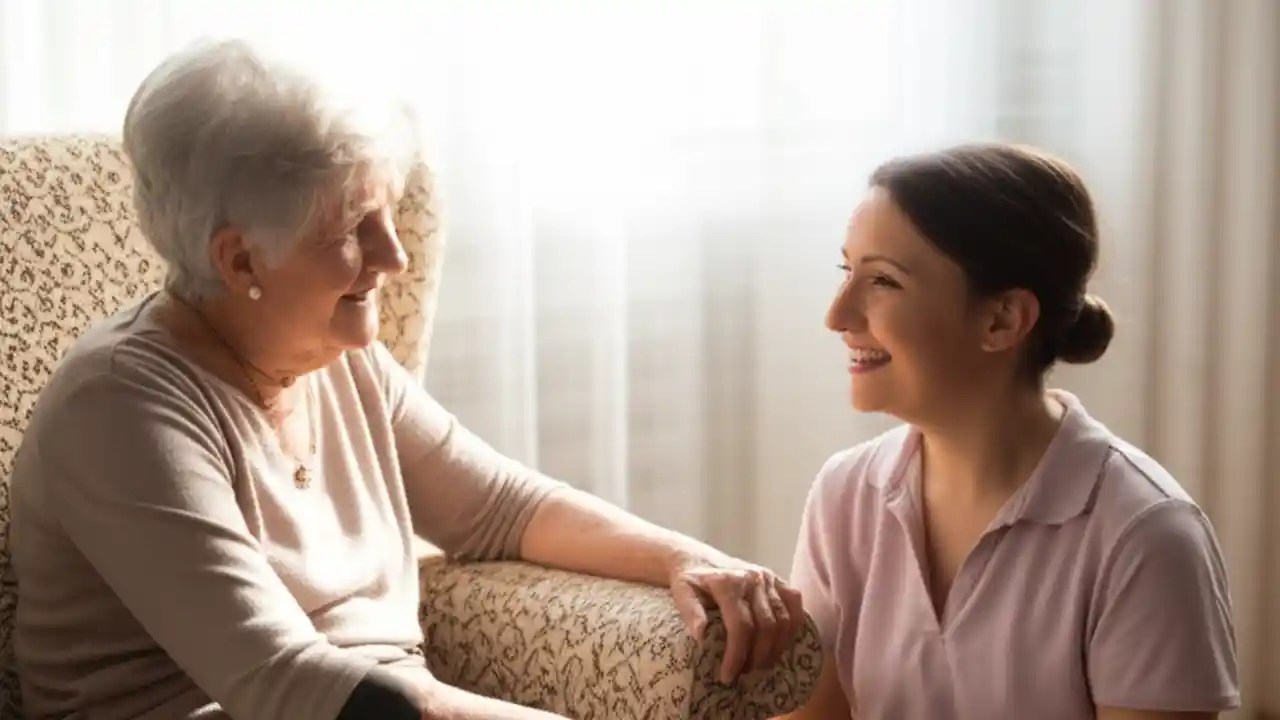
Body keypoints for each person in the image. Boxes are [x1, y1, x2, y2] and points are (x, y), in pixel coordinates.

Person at [9, 40, 804, 720]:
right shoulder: (122, 409)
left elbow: (500, 509)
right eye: (353, 228)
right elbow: (281, 677)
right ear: (241, 258)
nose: (393, 256)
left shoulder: (338, 359)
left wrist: (682, 559)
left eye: (388, 214)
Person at [779, 144, 1239, 719]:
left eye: (884, 282)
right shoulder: (843, 495)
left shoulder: (1147, 537)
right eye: (848, 271)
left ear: (1002, 319)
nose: (838, 315)